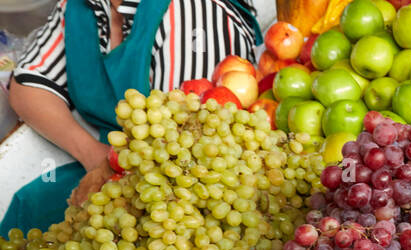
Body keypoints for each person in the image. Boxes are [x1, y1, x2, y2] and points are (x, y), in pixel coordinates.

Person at [2, 0, 262, 233]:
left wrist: (109, 168)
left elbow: (180, 145)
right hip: (108, 160)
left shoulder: (196, 11)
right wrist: (93, 155)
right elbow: (28, 85)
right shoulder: (80, 6)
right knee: (29, 206)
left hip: (178, 193)